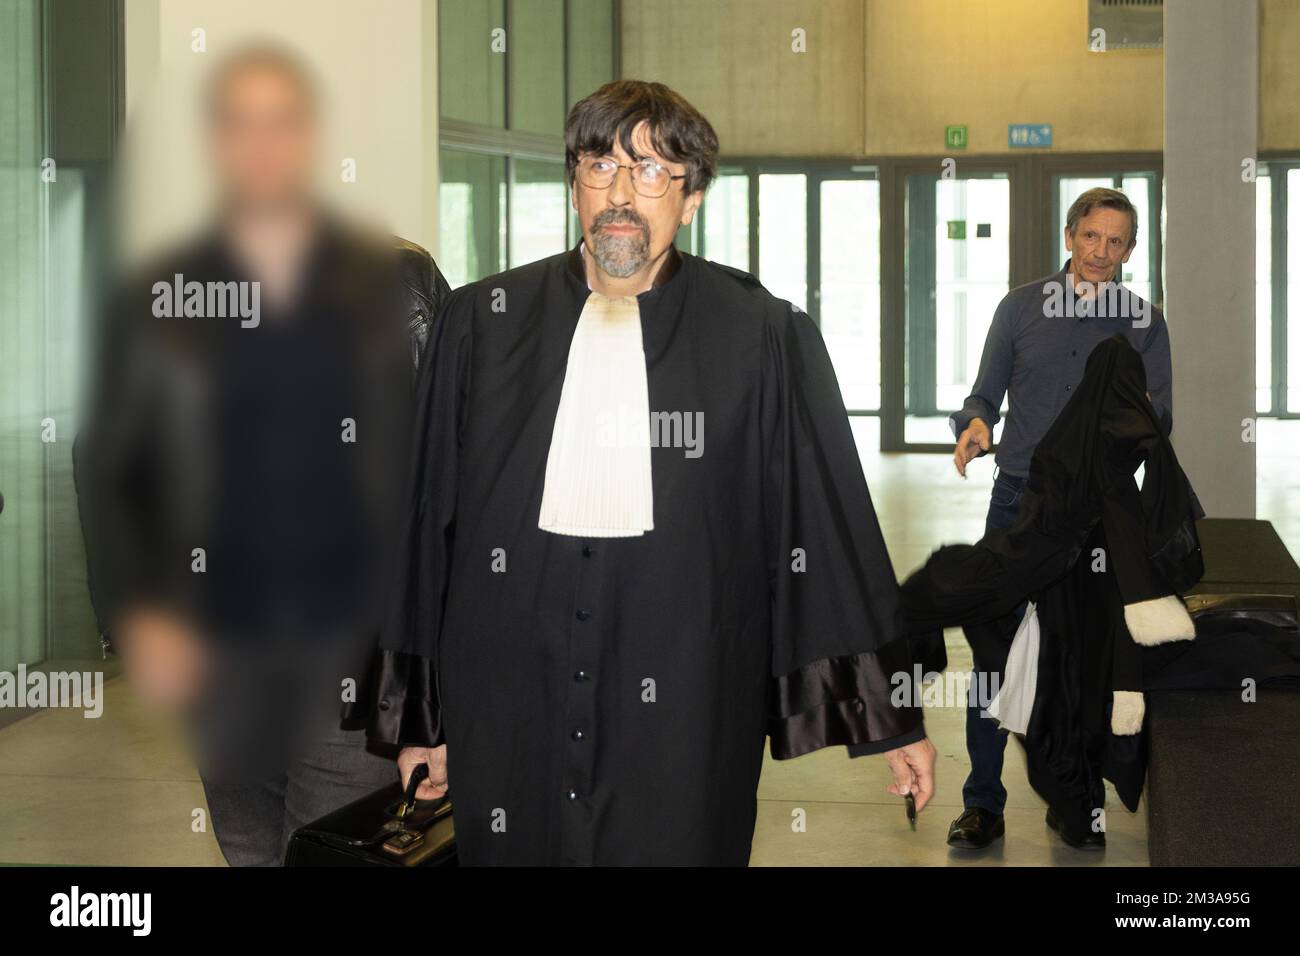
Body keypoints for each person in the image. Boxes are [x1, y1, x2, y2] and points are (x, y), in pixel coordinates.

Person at [367, 80, 935, 866]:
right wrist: (420, 721)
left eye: (652, 172)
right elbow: (428, 522)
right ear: (573, 184)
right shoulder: (481, 325)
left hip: (686, 703)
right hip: (507, 702)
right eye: (600, 167)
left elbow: (824, 523)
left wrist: (890, 718)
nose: (621, 196)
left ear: (692, 198)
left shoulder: (760, 336)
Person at [74, 43, 450, 865]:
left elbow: (444, 480)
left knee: (328, 854)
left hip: (349, 672)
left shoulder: (398, 285)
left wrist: (433, 692)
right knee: (249, 851)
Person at [947, 187, 1173, 850]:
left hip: (1096, 514)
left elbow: (1161, 418)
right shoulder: (1020, 308)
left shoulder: (1142, 322)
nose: (1102, 252)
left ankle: (1073, 796)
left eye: (1117, 242)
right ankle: (982, 803)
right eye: (1092, 237)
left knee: (1083, 658)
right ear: (1070, 236)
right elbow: (983, 393)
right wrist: (976, 425)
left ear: (1130, 250)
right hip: (1019, 500)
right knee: (996, 655)